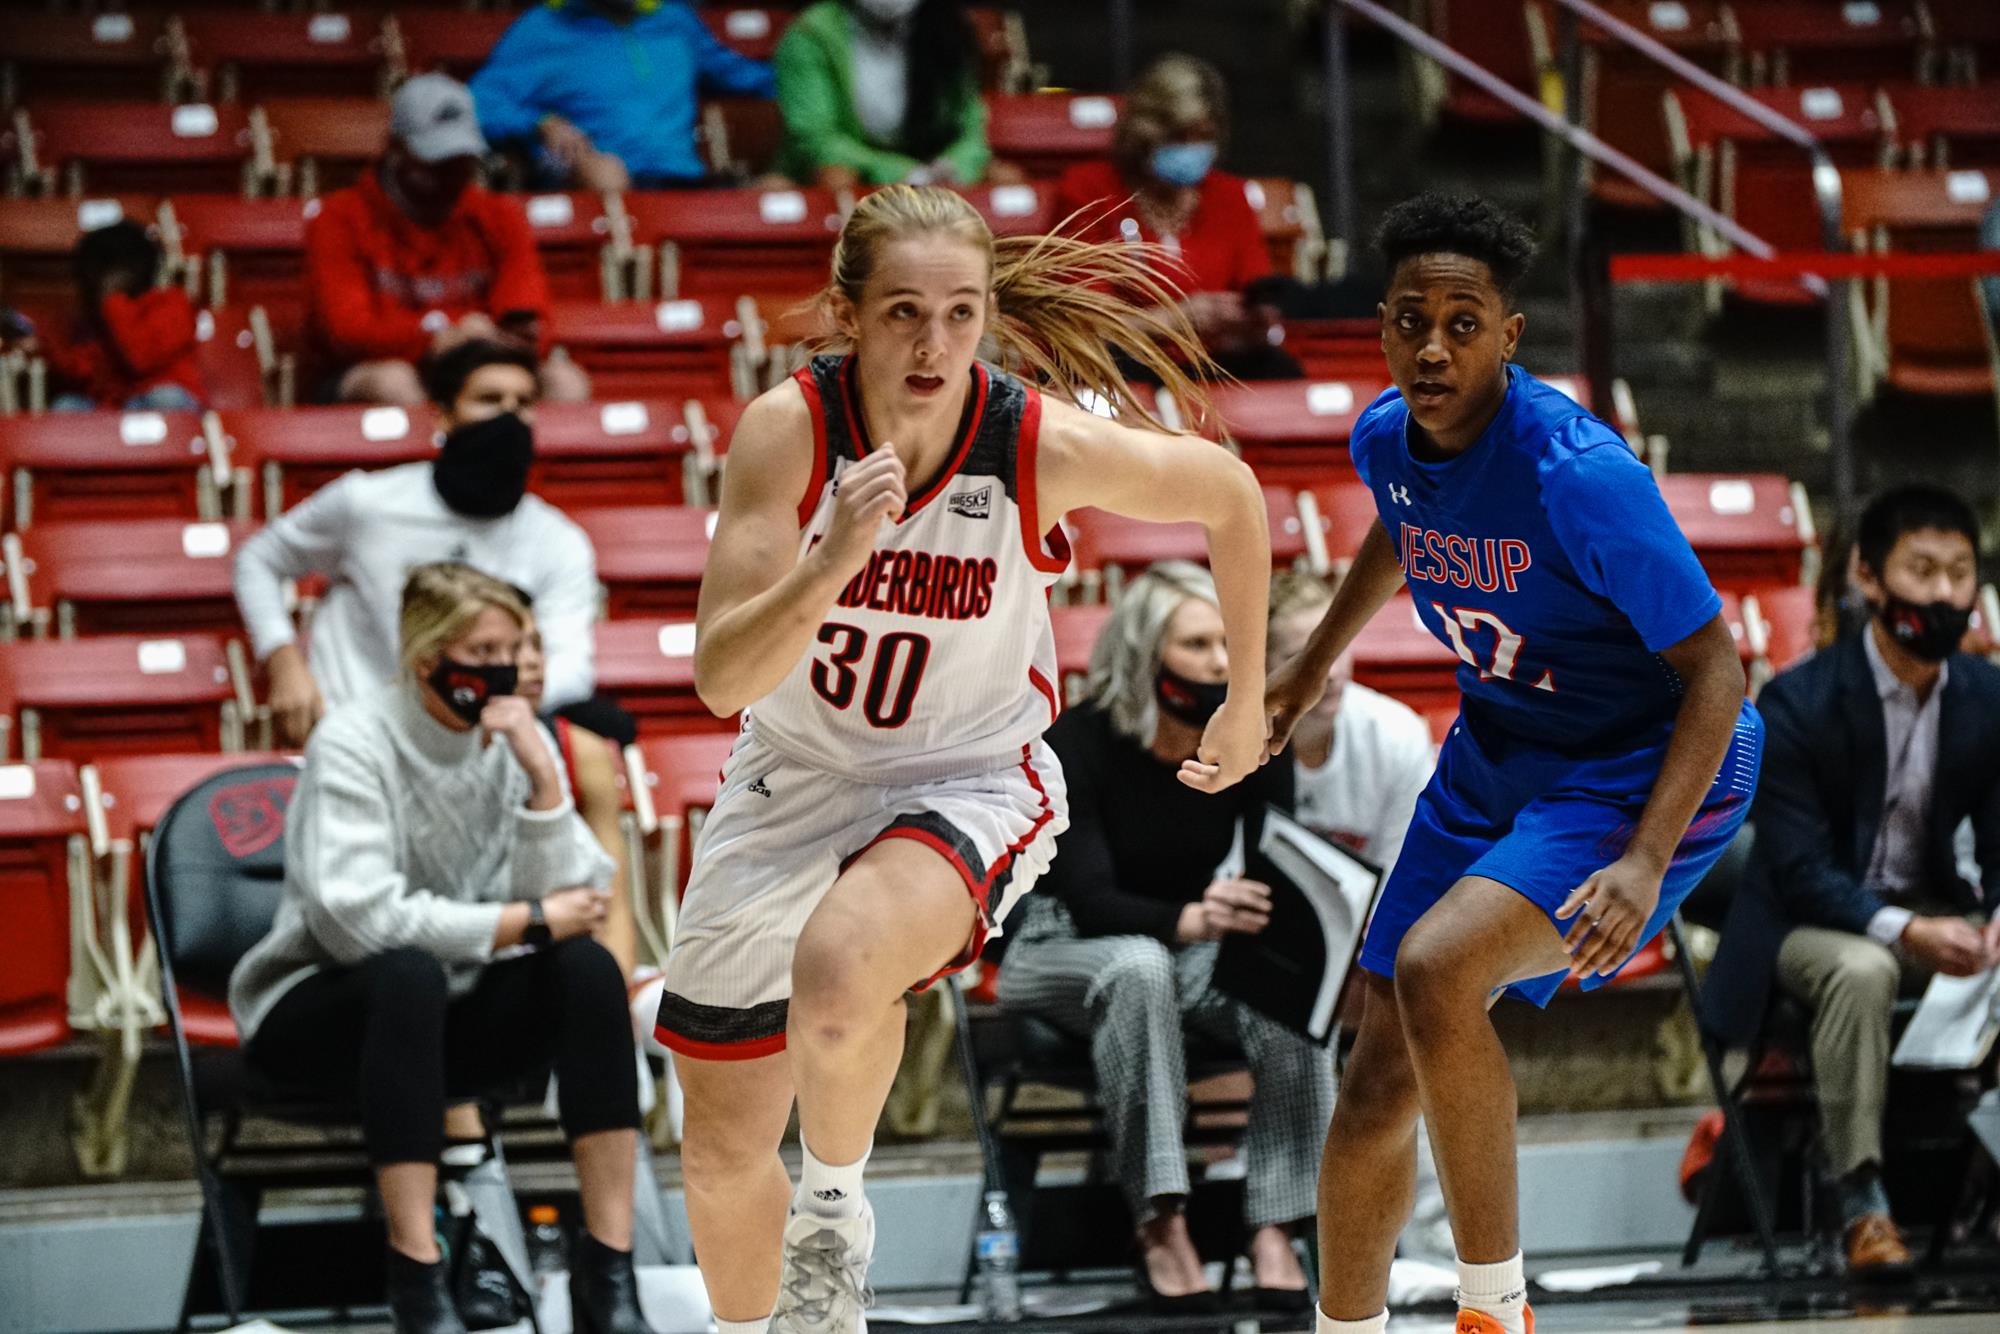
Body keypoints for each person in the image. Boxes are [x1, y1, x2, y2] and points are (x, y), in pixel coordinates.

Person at [653, 184, 1272, 1334]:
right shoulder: (785, 432)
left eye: (959, 312)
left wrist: (1246, 694)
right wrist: (829, 559)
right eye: (900, 313)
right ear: (845, 316)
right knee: (720, 1145)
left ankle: (832, 1224)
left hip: (966, 779)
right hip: (791, 775)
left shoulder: (1026, 440)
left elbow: (1228, 495)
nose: (932, 344)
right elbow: (723, 678)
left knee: (839, 967)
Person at [1264, 191, 1763, 1334]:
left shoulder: (1577, 472)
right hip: (1499, 748)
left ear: (1507, 334)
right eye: (1406, 320)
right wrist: (1304, 665)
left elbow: (1718, 673)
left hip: (1644, 758)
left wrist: (1642, 860)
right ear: (1381, 329)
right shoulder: (1384, 435)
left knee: (1439, 970)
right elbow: (1400, 519)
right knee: (1376, 1077)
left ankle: (1494, 1310)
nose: (1429, 346)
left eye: (1459, 322)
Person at [228, 563, 653, 1334]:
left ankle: (608, 1272)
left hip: (452, 1015)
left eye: (520, 644)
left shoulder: (516, 735)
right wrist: (520, 923)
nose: (510, 664)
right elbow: (353, 921)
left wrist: (542, 784)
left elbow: (579, 902)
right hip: (319, 1017)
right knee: (407, 974)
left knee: (587, 969)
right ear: (429, 660)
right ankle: (417, 1273)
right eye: (488, 648)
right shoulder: (355, 739)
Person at [997, 561, 1320, 1314]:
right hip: (1058, 945)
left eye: (1225, 644)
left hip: (1182, 945)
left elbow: (1286, 858)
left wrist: (1268, 915)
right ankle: (1162, 1220)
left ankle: (1277, 1219)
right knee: (1138, 966)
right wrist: (1194, 919)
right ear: (1146, 655)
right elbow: (1089, 896)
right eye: (1197, 644)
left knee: (1286, 976)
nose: (1219, 662)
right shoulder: (1079, 740)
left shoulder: (1250, 737)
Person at [1704, 485, 2000, 1278]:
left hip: (1929, 908)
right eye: (1923, 569)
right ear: (1870, 578)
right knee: (1863, 969)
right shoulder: (1798, 702)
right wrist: (1905, 931)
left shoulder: (1986, 697)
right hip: (1801, 924)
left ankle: (1983, 1188)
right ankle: (1861, 1203)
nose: (1943, 593)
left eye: (1960, 573)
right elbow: (1797, 872)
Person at [234, 338, 599, 745]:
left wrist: (485, 691)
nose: (509, 417)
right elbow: (259, 559)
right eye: (489, 400)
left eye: (523, 402)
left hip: (477, 736)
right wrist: (283, 660)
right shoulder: (367, 503)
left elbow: (572, 668)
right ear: (443, 415)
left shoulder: (559, 540)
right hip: (354, 730)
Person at [305, 74, 588, 406]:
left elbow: (530, 327)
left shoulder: (499, 216)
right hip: (378, 369)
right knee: (394, 382)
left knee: (566, 382)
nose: (449, 178)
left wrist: (476, 341)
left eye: (460, 163)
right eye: (436, 162)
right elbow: (348, 332)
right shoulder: (339, 218)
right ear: (397, 148)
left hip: (480, 363)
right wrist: (440, 335)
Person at [1053, 54, 1295, 381]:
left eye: (1203, 137)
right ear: (1145, 132)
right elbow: (1085, 324)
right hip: (1126, 365)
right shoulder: (1087, 191)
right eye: (1180, 137)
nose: (1192, 148)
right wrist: (1180, 317)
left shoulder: (1230, 196)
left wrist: (1252, 321)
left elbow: (1256, 290)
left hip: (1210, 364)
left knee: (1279, 368)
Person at [470, 0, 776, 190]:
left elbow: (741, 76)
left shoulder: (674, 19)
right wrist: (541, 123)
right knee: (607, 174)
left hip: (683, 181)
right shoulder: (541, 28)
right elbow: (478, 103)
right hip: (593, 179)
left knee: (776, 189)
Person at [1268, 569, 1435, 873]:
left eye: (1336, 651)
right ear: (1265, 667)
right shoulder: (1237, 736)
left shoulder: (1398, 734)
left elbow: (1402, 870)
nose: (1327, 674)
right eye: (1299, 659)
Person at [773, 0, 1012, 190]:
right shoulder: (811, 33)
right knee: (837, 176)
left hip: (933, 165)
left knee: (1008, 181)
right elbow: (815, 136)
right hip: (858, 169)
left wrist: (955, 166)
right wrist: (899, 172)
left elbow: (972, 127)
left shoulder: (950, 25)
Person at [41, 220, 204, 412]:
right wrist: (41, 348)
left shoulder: (171, 304)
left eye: (97, 272)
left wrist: (113, 299)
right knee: (65, 406)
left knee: (165, 398)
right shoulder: (95, 317)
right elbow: (84, 371)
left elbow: (139, 358)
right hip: (119, 407)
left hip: (163, 403)